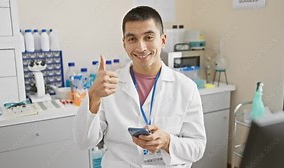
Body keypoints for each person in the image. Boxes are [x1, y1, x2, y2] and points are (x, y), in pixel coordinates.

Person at [74, 6, 206, 168]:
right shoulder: (108, 87)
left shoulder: (186, 88)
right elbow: (84, 142)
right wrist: (94, 97)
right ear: (124, 43)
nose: (141, 47)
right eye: (132, 39)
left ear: (163, 40)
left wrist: (167, 141)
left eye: (148, 37)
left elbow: (197, 148)